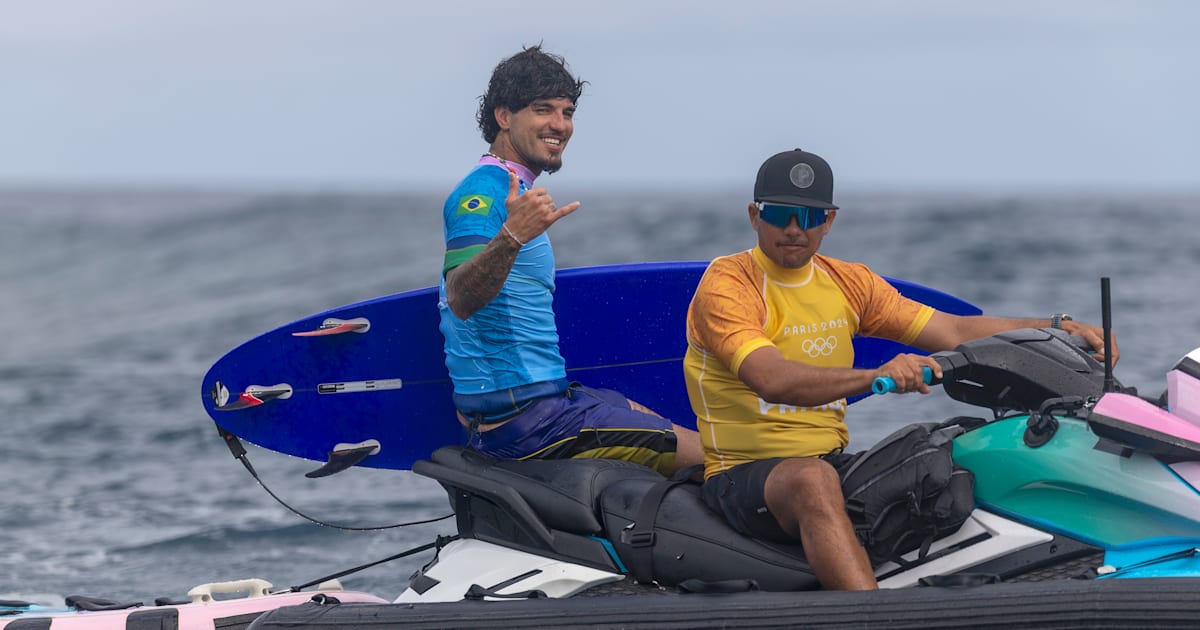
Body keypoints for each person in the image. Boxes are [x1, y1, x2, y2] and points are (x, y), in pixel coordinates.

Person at [683, 148, 1118, 590]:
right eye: (779, 214)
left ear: (829, 221)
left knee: (960, 448)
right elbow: (771, 380)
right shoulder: (727, 286)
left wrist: (1057, 327)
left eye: (809, 216)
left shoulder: (848, 282)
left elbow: (953, 330)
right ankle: (871, 614)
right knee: (811, 479)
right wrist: (875, 377)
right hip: (742, 476)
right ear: (754, 216)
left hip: (833, 462)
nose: (794, 229)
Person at [438, 45, 702, 476]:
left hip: (549, 404)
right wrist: (512, 236)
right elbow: (461, 297)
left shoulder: (512, 190)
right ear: (504, 117)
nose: (560, 125)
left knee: (648, 417)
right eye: (544, 110)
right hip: (529, 426)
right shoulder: (482, 195)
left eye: (568, 112)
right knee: (722, 459)